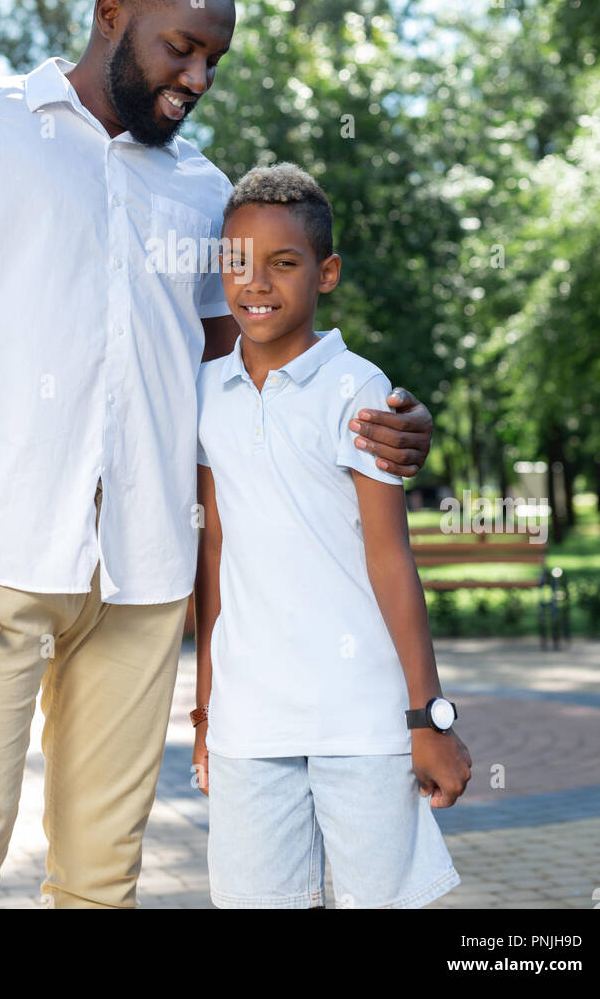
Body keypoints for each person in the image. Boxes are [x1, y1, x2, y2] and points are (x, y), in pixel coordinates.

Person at [0, 0, 435, 910]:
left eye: (212, 59)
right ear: (110, 14)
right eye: (179, 47)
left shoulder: (205, 194)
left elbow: (240, 391)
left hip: (143, 580)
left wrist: (371, 417)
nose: (196, 76)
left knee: (100, 882)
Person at [192, 162, 471, 909]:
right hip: (249, 727)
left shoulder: (359, 390)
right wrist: (205, 714)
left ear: (327, 272)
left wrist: (428, 717)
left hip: (363, 720)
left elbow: (391, 559)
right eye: (239, 263)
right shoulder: (205, 395)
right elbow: (215, 558)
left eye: (284, 264)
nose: (257, 283)